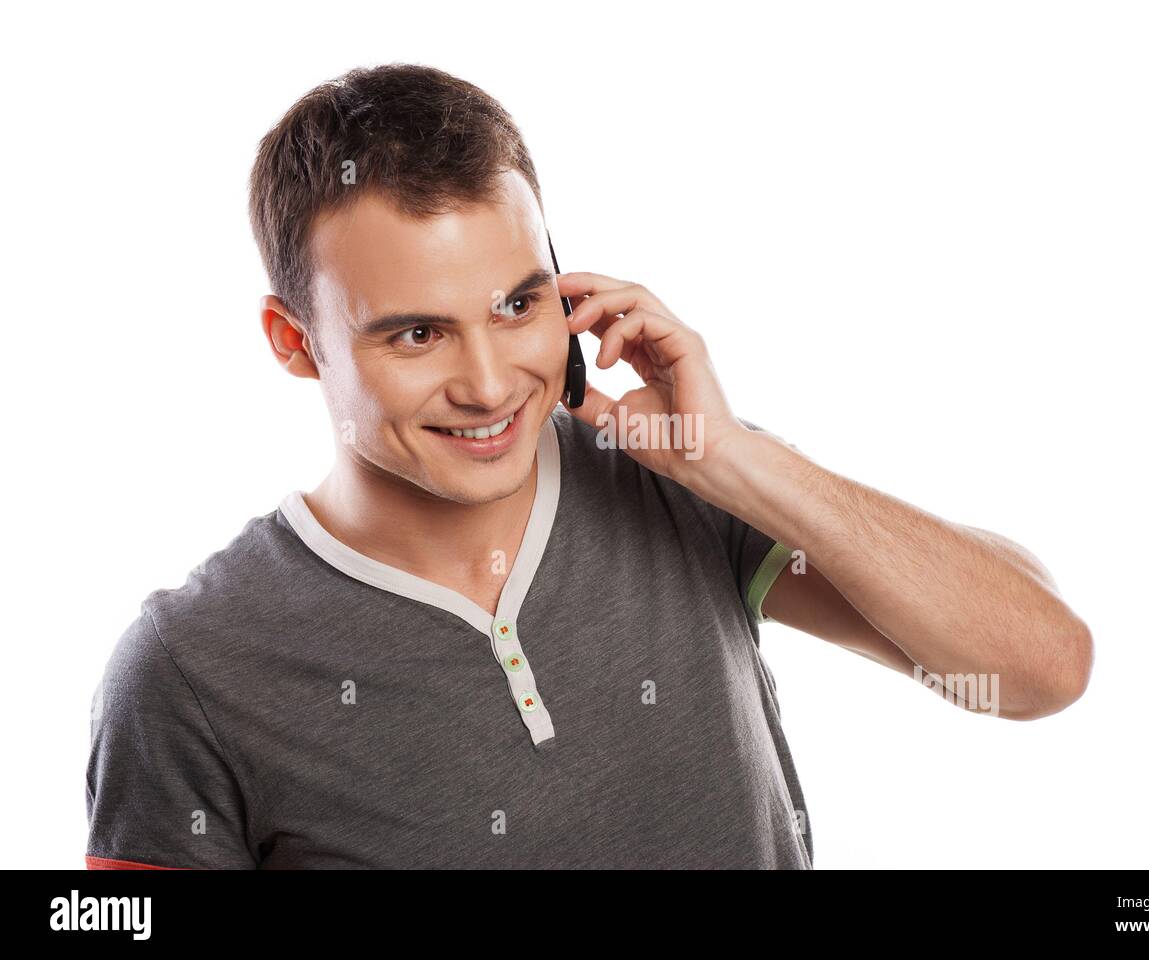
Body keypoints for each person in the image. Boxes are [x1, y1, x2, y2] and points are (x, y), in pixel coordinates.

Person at [84, 63, 1092, 870]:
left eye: (518, 305)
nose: (488, 385)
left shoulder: (682, 486)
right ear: (294, 342)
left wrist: (736, 461)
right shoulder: (188, 670)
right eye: (418, 334)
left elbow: (1042, 668)